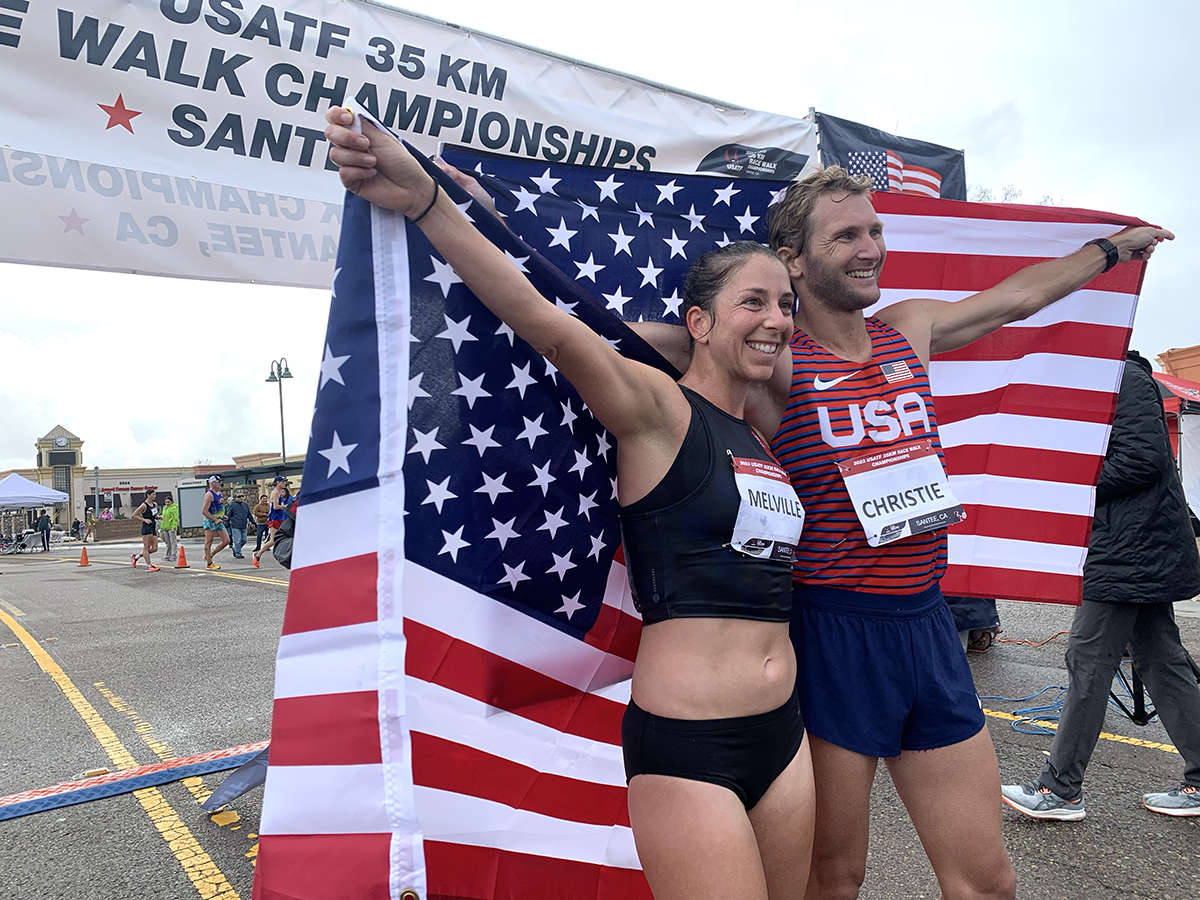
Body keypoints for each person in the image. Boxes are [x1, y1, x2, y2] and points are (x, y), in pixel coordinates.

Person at [629, 166, 1169, 898]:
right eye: (846, 234)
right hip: (831, 631)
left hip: (925, 623)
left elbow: (1018, 298)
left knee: (988, 881)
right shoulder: (777, 362)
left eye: (875, 230)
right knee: (836, 879)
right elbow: (620, 340)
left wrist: (1112, 250)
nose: (869, 247)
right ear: (795, 259)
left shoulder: (908, 330)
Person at [325, 105, 816, 899]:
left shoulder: (763, 428)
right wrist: (430, 204)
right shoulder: (657, 410)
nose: (778, 319)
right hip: (692, 748)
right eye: (754, 302)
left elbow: (793, 340)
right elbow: (546, 318)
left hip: (784, 735)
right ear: (696, 320)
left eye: (786, 304)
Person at [1001, 350, 1200, 820]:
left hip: (1127, 549)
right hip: (1132, 546)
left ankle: (1061, 788)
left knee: (1088, 661)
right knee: (1161, 662)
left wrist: (1068, 486)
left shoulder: (1123, 377)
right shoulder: (1104, 379)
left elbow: (1141, 459)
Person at [253, 477, 290, 568]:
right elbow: (276, 507)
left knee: (285, 536)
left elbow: (271, 503)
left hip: (279, 517)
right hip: (275, 518)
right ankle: (257, 555)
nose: (284, 484)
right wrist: (286, 506)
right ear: (277, 482)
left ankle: (285, 554)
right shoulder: (275, 492)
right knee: (273, 540)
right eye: (282, 482)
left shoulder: (278, 493)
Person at [201, 475, 230, 570]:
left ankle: (209, 555)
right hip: (210, 521)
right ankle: (209, 563)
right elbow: (204, 511)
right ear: (213, 483)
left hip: (219, 520)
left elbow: (218, 507)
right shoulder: (209, 495)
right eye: (218, 482)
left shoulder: (220, 493)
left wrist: (222, 516)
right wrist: (214, 519)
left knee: (226, 541)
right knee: (209, 541)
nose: (220, 483)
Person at [130, 489, 161, 572]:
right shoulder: (144, 505)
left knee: (155, 548)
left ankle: (136, 557)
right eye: (153, 494)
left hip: (153, 526)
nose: (155, 496)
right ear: (148, 495)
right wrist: (144, 520)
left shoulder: (155, 504)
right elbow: (134, 515)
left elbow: (154, 514)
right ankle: (149, 565)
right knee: (146, 547)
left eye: (155, 494)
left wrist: (158, 517)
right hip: (146, 527)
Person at [225, 491, 253, 559]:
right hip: (235, 525)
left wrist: (253, 522)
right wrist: (226, 523)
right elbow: (228, 515)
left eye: (242, 496)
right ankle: (238, 553)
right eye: (239, 496)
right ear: (235, 498)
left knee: (244, 540)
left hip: (243, 525)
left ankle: (235, 549)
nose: (241, 498)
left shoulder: (245, 505)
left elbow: (249, 514)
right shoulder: (232, 505)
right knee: (237, 540)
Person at [160, 495, 180, 562]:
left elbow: (175, 518)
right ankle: (168, 555)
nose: (167, 503)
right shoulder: (165, 508)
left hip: (171, 527)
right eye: (166, 502)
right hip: (165, 527)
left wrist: (174, 527)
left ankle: (173, 555)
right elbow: (163, 518)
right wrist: (162, 527)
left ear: (172, 501)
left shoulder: (173, 508)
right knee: (167, 542)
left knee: (173, 541)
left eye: (168, 502)